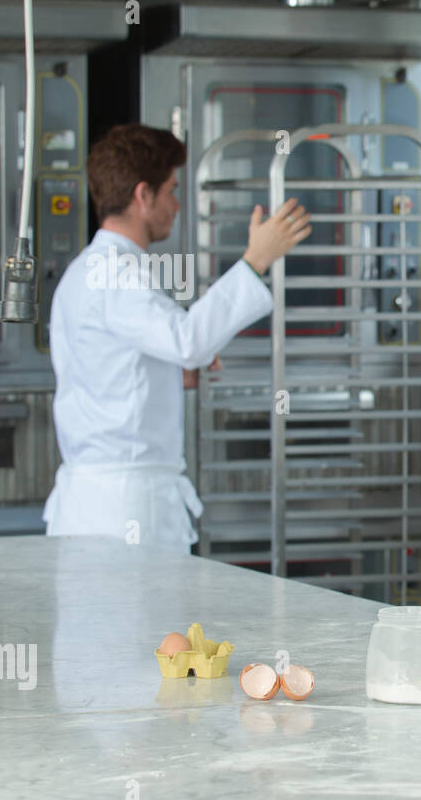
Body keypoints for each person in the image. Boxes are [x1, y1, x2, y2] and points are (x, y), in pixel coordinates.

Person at [45, 123, 311, 551]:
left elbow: (115, 367)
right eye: (170, 190)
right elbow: (186, 339)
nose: (176, 203)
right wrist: (255, 260)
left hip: (100, 503)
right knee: (141, 620)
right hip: (125, 511)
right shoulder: (116, 274)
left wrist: (171, 372)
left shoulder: (89, 270)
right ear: (142, 195)